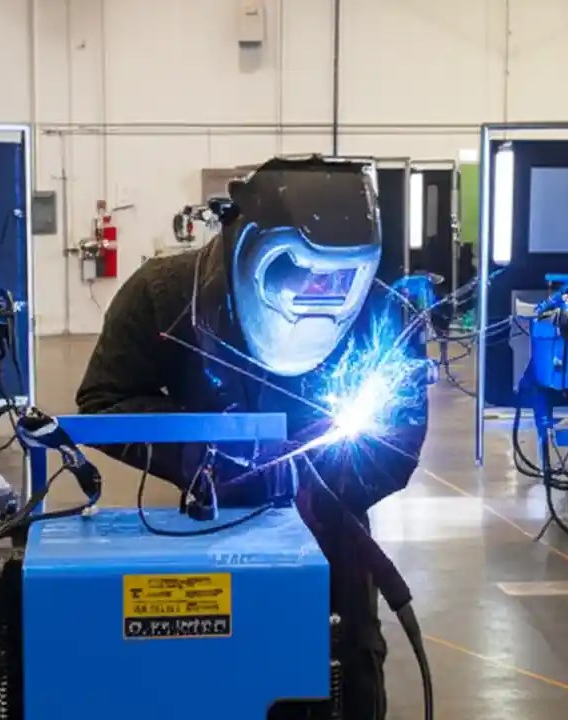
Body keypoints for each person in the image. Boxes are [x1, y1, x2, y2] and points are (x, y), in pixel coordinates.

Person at [77, 156, 428, 719]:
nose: (322, 290)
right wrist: (208, 453)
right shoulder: (167, 294)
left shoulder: (380, 311)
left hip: (334, 538)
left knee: (346, 682)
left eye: (340, 277)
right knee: (222, 681)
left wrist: (322, 478)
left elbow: (399, 435)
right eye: (301, 271)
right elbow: (105, 399)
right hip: (212, 534)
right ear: (250, 250)